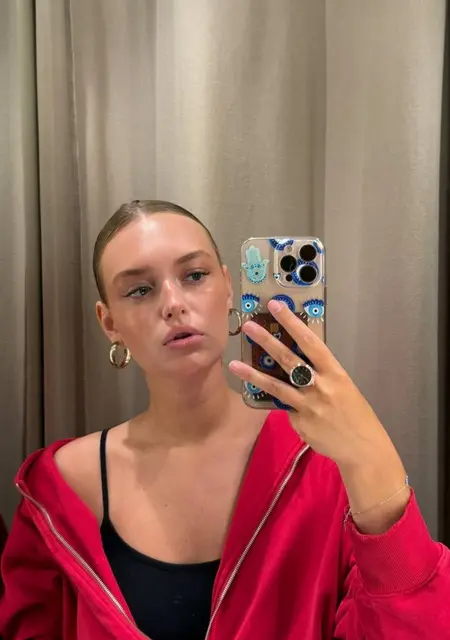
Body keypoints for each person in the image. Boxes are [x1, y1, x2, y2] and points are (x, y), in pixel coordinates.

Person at [0, 199, 449, 640]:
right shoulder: (59, 490)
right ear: (109, 322)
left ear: (230, 287)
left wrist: (370, 459)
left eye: (195, 275)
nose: (173, 303)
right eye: (140, 290)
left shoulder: (320, 459)